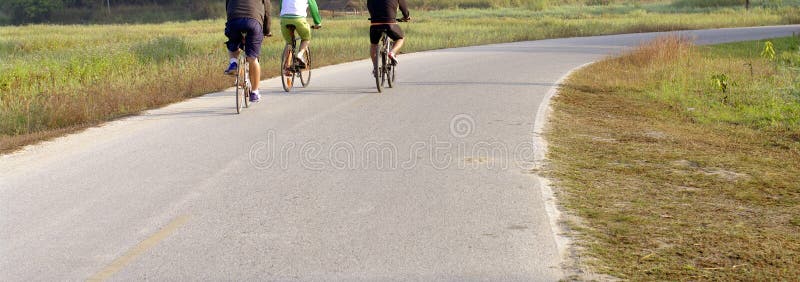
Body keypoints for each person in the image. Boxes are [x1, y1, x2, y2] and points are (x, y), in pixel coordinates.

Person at [224, 0, 272, 102]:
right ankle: (254, 92)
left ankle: (233, 63)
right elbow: (267, 10)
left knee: (233, 43)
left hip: (234, 19)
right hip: (253, 22)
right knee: (252, 58)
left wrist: (231, 19)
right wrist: (267, 30)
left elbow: (228, 5)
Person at [367, 0, 410, 77]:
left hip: (375, 24)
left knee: (374, 44)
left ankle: (375, 67)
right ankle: (392, 53)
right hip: (390, 23)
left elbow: (369, 6)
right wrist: (406, 17)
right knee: (400, 38)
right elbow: (404, 8)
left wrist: (374, 16)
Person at [279, 0, 322, 75]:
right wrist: (317, 22)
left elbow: (281, 3)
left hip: (284, 18)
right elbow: (313, 7)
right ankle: (300, 55)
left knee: (289, 43)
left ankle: (286, 67)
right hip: (299, 19)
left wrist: (283, 14)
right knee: (306, 38)